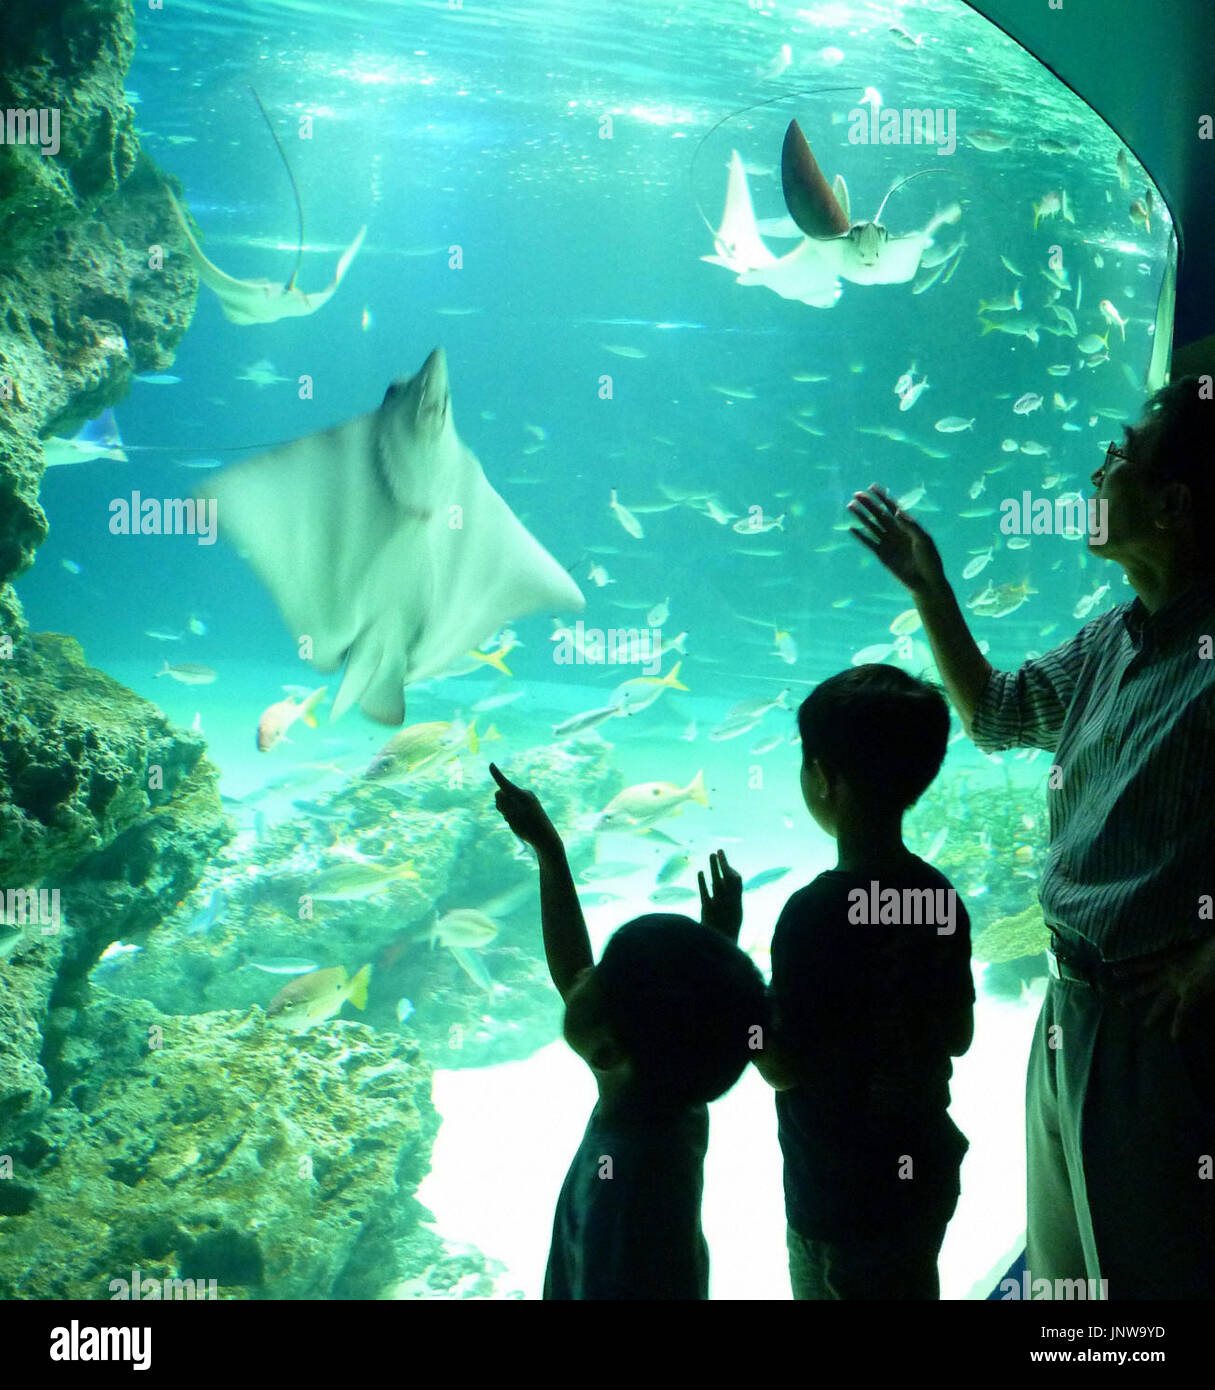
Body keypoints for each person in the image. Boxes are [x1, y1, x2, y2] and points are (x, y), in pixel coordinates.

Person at [848, 375, 1215, 1299]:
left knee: (1148, 1279)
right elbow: (998, 714)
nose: (1098, 470)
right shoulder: (1113, 637)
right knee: (1067, 1278)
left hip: (1155, 1025)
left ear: (1173, 503)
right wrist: (930, 590)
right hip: (1068, 1004)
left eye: (1119, 456)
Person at [488, 762, 768, 1300]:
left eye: (601, 977)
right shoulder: (678, 1095)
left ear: (610, 1050)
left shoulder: (620, 1195)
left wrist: (717, 945)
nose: (583, 976)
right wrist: (550, 853)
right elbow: (598, 983)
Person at [752, 665, 974, 1299]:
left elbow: (783, 1065)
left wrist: (731, 975)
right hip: (919, 1174)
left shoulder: (812, 912)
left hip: (837, 1190)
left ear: (823, 777)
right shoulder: (938, 896)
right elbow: (957, 1036)